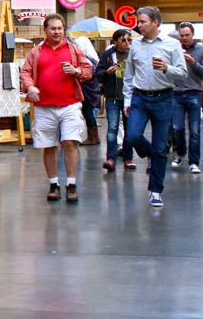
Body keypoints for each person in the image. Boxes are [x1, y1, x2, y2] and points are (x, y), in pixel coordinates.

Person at [21, 14, 93, 203]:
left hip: (69, 104)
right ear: (45, 30)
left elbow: (88, 70)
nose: (57, 32)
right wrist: (30, 87)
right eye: (53, 28)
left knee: (70, 142)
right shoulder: (36, 52)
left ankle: (71, 184)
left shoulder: (74, 50)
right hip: (44, 107)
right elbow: (25, 72)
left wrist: (76, 71)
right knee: (49, 145)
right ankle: (54, 184)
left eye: (60, 28)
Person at [122, 6, 186, 208]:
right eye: (138, 22)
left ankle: (156, 190)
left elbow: (183, 72)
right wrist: (127, 100)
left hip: (163, 97)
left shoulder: (172, 44)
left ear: (155, 23)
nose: (138, 25)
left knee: (161, 147)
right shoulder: (135, 45)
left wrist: (167, 68)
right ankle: (148, 154)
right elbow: (129, 75)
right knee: (132, 136)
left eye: (142, 22)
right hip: (139, 97)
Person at [170, 22, 203, 173]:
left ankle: (194, 161)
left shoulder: (202, 50)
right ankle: (180, 153)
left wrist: (193, 62)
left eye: (187, 35)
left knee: (195, 130)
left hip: (194, 92)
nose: (185, 38)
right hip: (176, 93)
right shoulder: (174, 49)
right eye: (182, 35)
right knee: (177, 128)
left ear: (193, 35)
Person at [97, 29, 136, 171]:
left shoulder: (133, 53)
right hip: (113, 96)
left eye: (128, 40)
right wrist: (107, 72)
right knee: (112, 128)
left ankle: (128, 157)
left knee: (129, 129)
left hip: (130, 97)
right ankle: (111, 158)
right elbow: (98, 74)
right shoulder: (108, 54)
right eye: (123, 40)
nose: (127, 43)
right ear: (115, 42)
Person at [74, 36, 101, 146]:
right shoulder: (92, 58)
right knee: (88, 113)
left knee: (88, 112)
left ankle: (92, 137)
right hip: (91, 90)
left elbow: (90, 74)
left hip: (87, 91)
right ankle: (93, 136)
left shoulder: (87, 60)